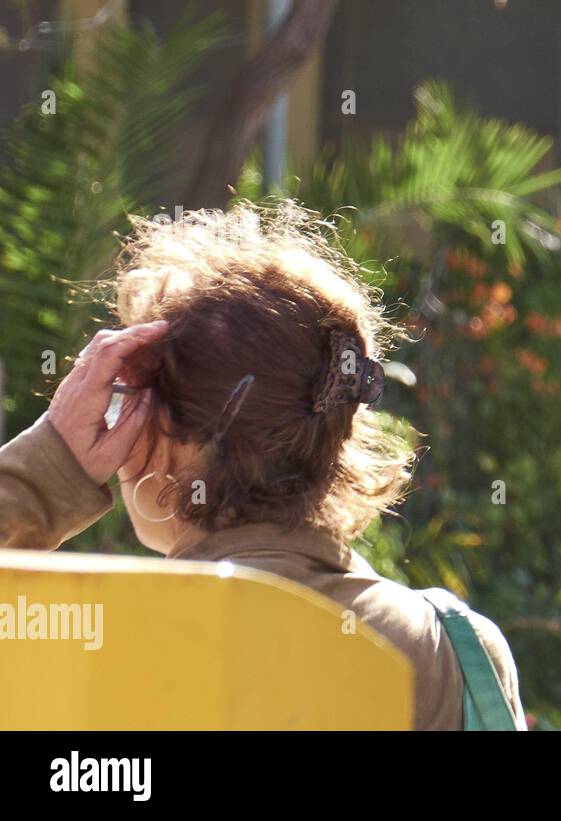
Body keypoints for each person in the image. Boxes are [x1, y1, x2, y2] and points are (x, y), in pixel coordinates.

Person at [0, 201, 526, 731]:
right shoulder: (454, 652)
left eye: (123, 401)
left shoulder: (97, 636)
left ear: (166, 432)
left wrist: (47, 469)